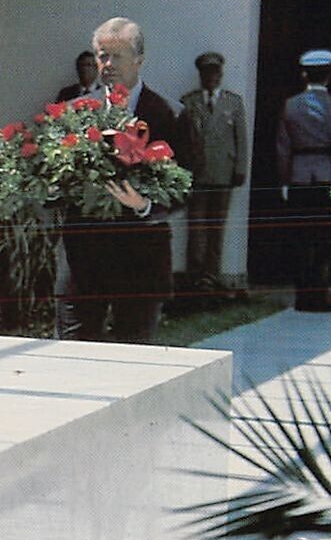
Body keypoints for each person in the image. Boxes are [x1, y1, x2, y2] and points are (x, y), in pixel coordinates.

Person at [54, 17, 186, 343]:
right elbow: (53, 182)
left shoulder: (169, 114)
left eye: (117, 56)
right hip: (83, 263)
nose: (107, 64)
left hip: (140, 263)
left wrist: (144, 206)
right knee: (73, 365)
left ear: (139, 60)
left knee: (134, 368)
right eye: (102, 56)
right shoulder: (73, 111)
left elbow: (187, 187)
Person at [276, 49, 331, 311]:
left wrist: (284, 179)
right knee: (323, 239)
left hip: (298, 174)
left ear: (304, 74)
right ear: (328, 76)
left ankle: (302, 295)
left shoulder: (290, 104)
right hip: (326, 175)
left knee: (300, 238)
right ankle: (318, 295)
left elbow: (283, 146)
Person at [179, 51, 247, 290]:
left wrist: (240, 168)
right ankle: (194, 276)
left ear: (221, 74)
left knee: (217, 227)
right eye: (207, 73)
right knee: (196, 227)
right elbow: (183, 141)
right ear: (200, 75)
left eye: (215, 73)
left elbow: (241, 138)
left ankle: (212, 275)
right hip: (197, 175)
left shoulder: (233, 103)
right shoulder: (189, 102)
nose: (211, 77)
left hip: (223, 173)